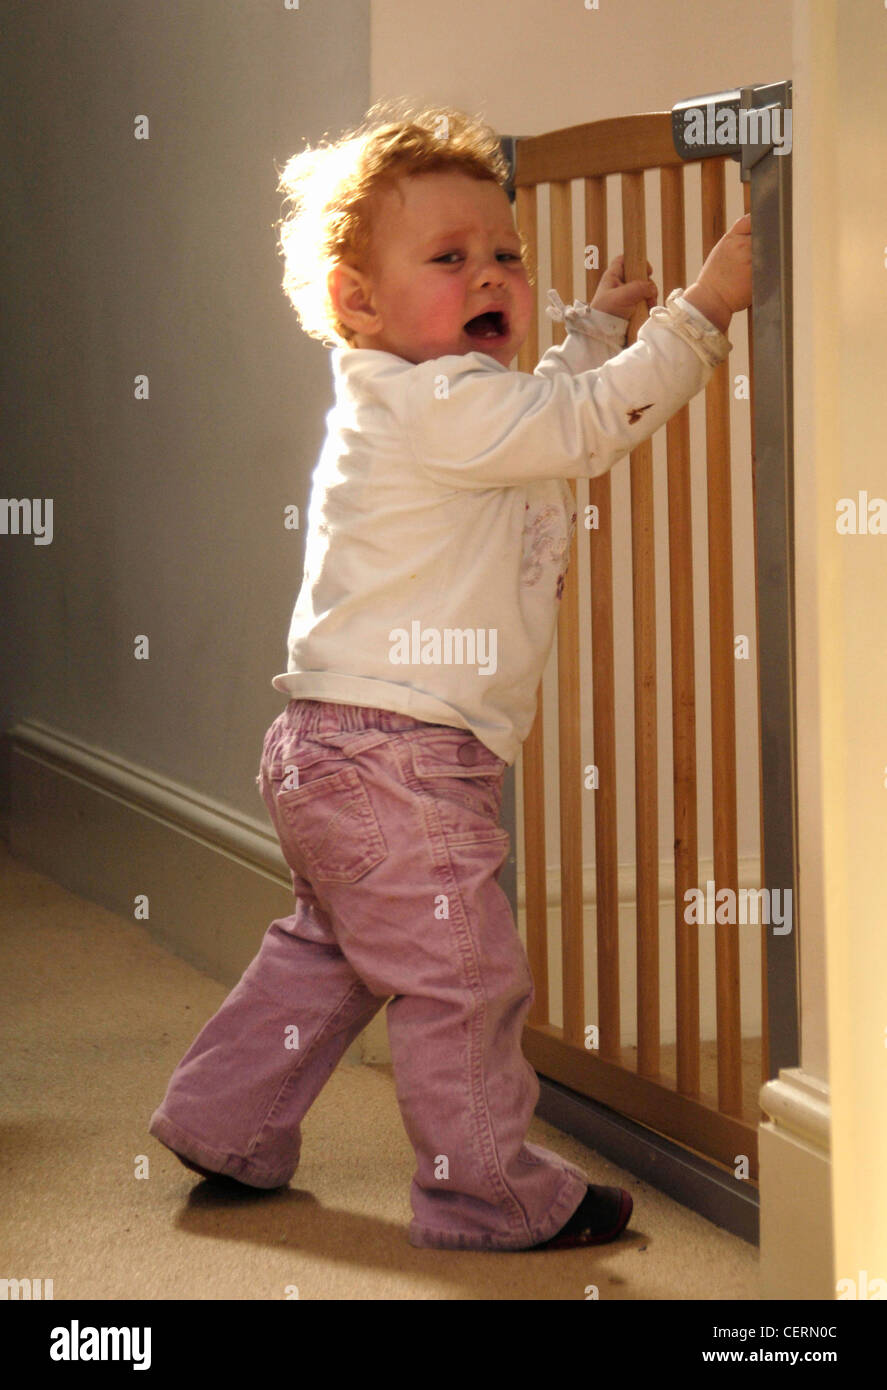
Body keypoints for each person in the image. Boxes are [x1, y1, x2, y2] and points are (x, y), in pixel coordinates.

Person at [148, 100, 752, 1252]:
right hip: (402, 764)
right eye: (450, 258)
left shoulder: (424, 402)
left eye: (505, 255)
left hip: (334, 753)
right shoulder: (434, 405)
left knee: (330, 954)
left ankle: (222, 1118)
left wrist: (586, 336)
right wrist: (698, 310)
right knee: (463, 982)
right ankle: (485, 1191)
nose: (492, 275)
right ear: (354, 302)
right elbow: (572, 428)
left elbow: (533, 422)